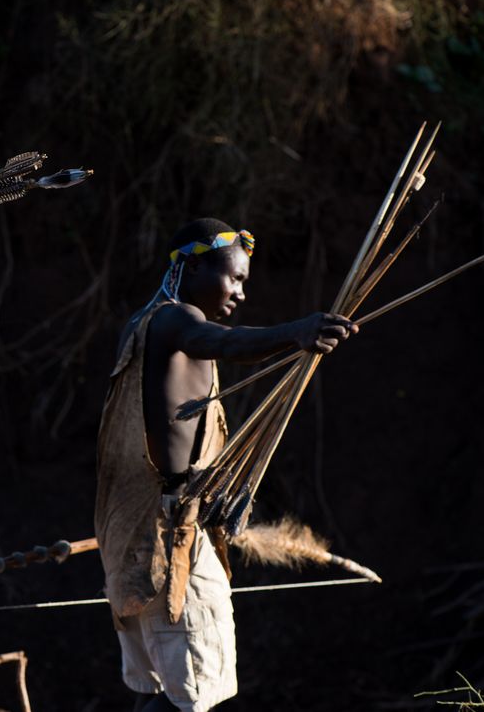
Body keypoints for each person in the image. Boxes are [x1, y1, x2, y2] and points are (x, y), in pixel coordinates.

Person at [94, 218, 356, 712]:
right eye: (233, 277)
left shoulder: (144, 325)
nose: (238, 291)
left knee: (162, 686)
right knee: (188, 693)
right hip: (166, 539)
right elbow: (226, 343)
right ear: (192, 267)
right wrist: (297, 331)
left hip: (138, 533)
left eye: (244, 283)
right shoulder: (174, 322)